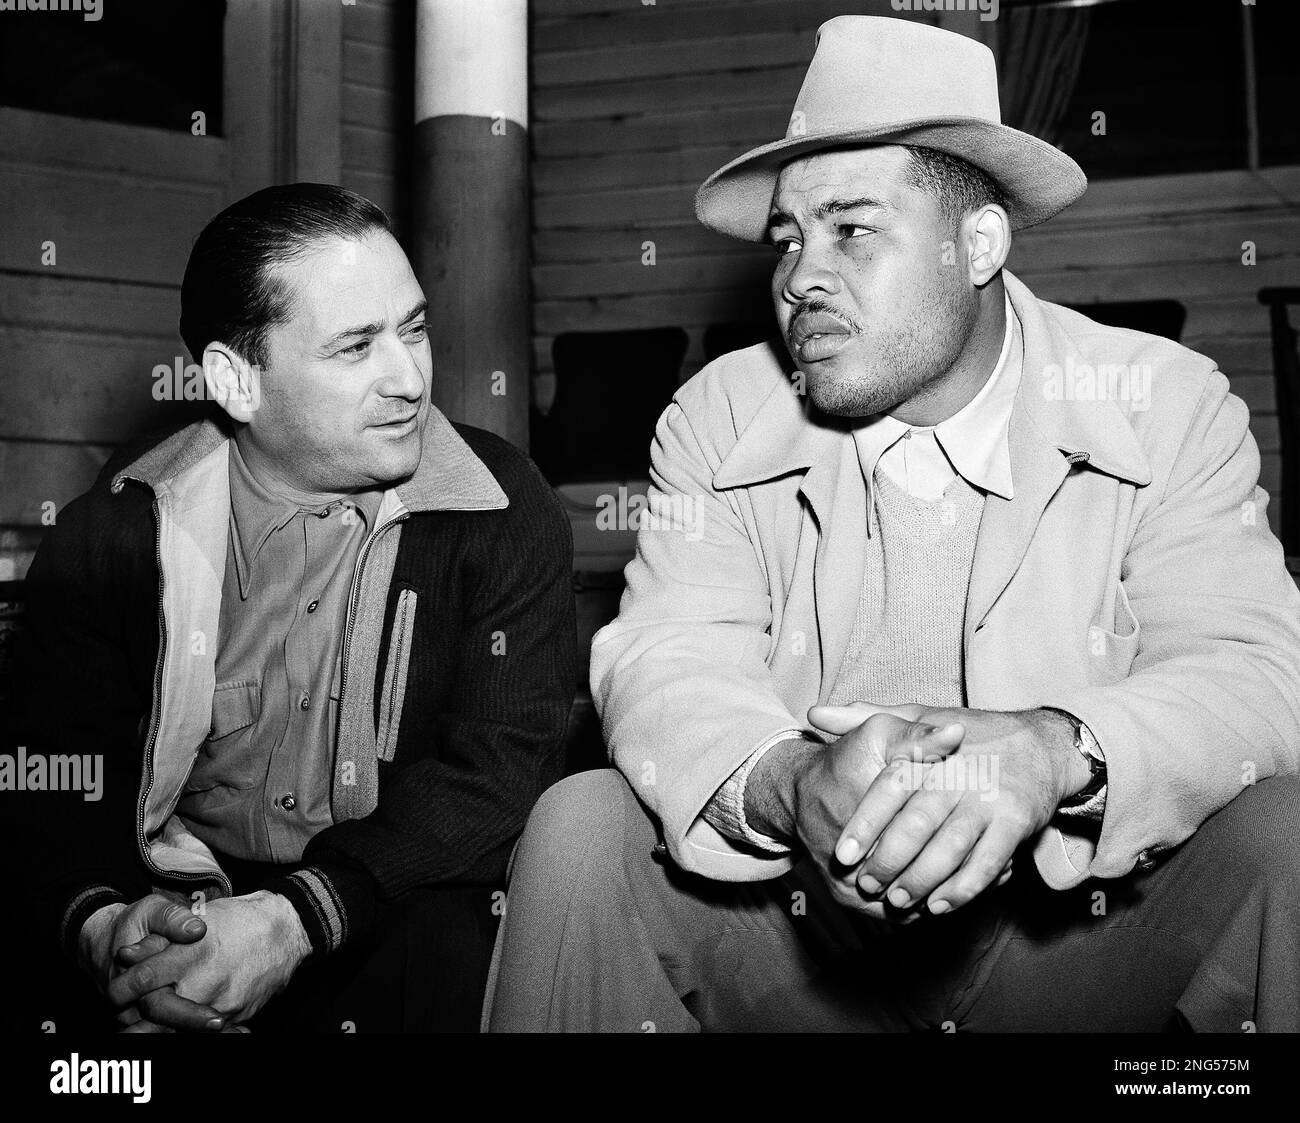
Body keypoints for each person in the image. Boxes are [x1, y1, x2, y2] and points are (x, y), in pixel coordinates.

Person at [485, 16, 1300, 1032]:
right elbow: (664, 652)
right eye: (786, 237)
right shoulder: (718, 414)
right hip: (797, 944)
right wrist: (786, 784)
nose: (798, 277)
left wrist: (1054, 753)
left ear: (980, 243)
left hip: (1071, 943)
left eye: (852, 230)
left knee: (1287, 835)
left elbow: (1258, 674)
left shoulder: (1161, 403)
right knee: (581, 824)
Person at [12, 183, 576, 1033]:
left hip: (395, 901)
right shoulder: (118, 531)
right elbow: (47, 770)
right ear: (236, 380)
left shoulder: (504, 505)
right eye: (356, 347)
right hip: (172, 901)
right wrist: (109, 936)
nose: (410, 378)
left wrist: (294, 920)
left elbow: (498, 773)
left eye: (414, 328)